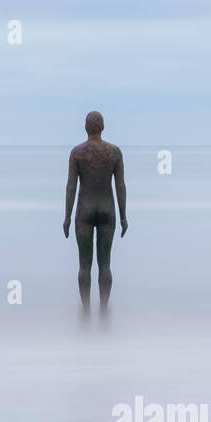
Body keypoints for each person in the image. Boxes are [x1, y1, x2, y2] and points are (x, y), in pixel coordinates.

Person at [63, 111, 127, 312]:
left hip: (84, 212)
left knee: (84, 265)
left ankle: (85, 310)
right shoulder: (114, 152)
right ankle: (105, 310)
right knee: (105, 265)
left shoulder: (77, 153)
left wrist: (67, 216)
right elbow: (120, 186)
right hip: (108, 211)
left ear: (85, 127)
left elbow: (71, 186)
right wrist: (123, 215)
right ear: (103, 127)